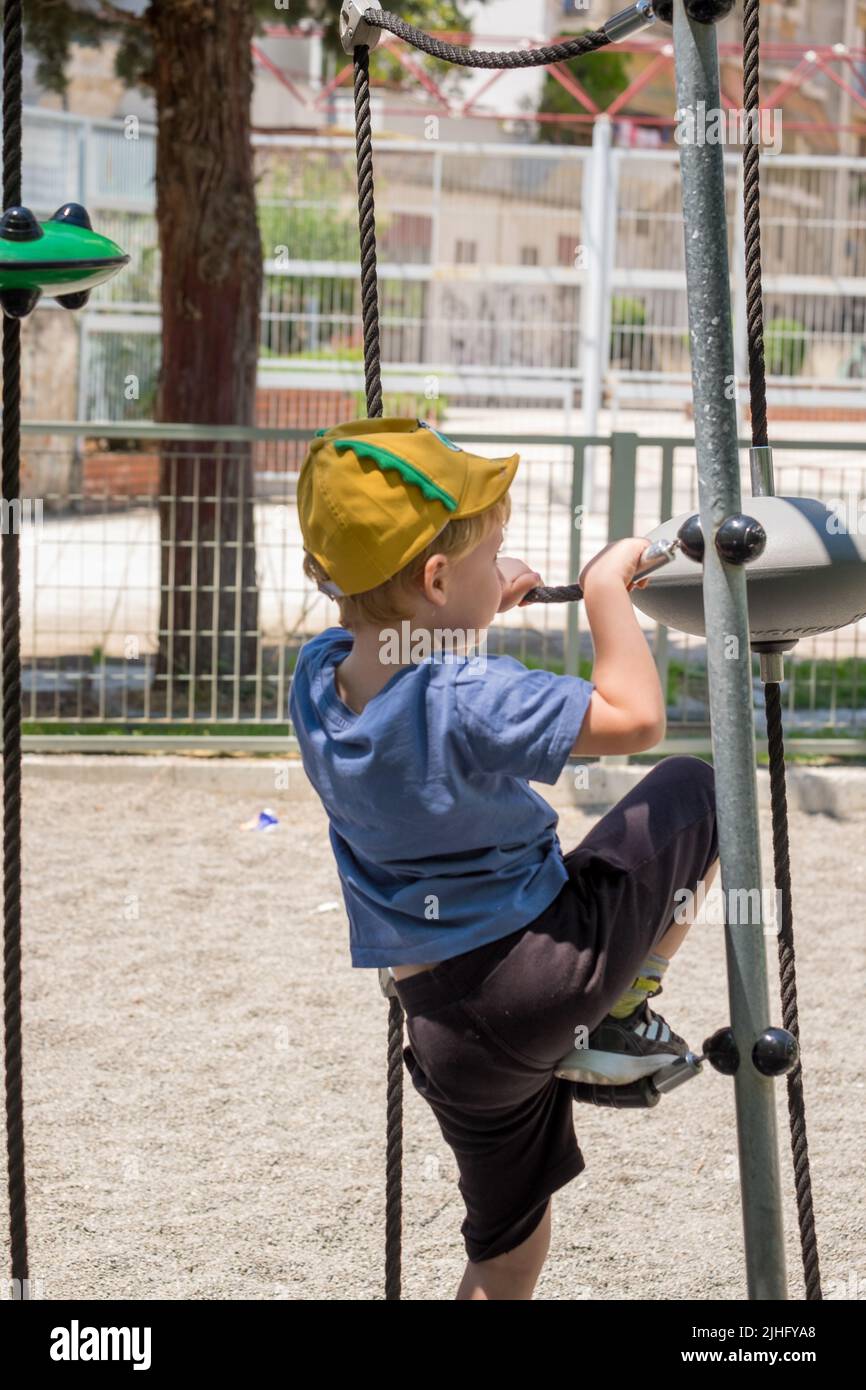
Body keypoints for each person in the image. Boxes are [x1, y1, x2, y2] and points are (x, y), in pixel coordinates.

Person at [289, 416, 720, 1300]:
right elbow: (635, 718)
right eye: (494, 553)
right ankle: (620, 1009)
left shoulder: (317, 681)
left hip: (446, 1027)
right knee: (693, 792)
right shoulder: (473, 696)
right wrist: (606, 589)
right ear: (436, 578)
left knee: (506, 1248)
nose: (506, 564)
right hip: (540, 976)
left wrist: (473, 608)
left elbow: (408, 683)